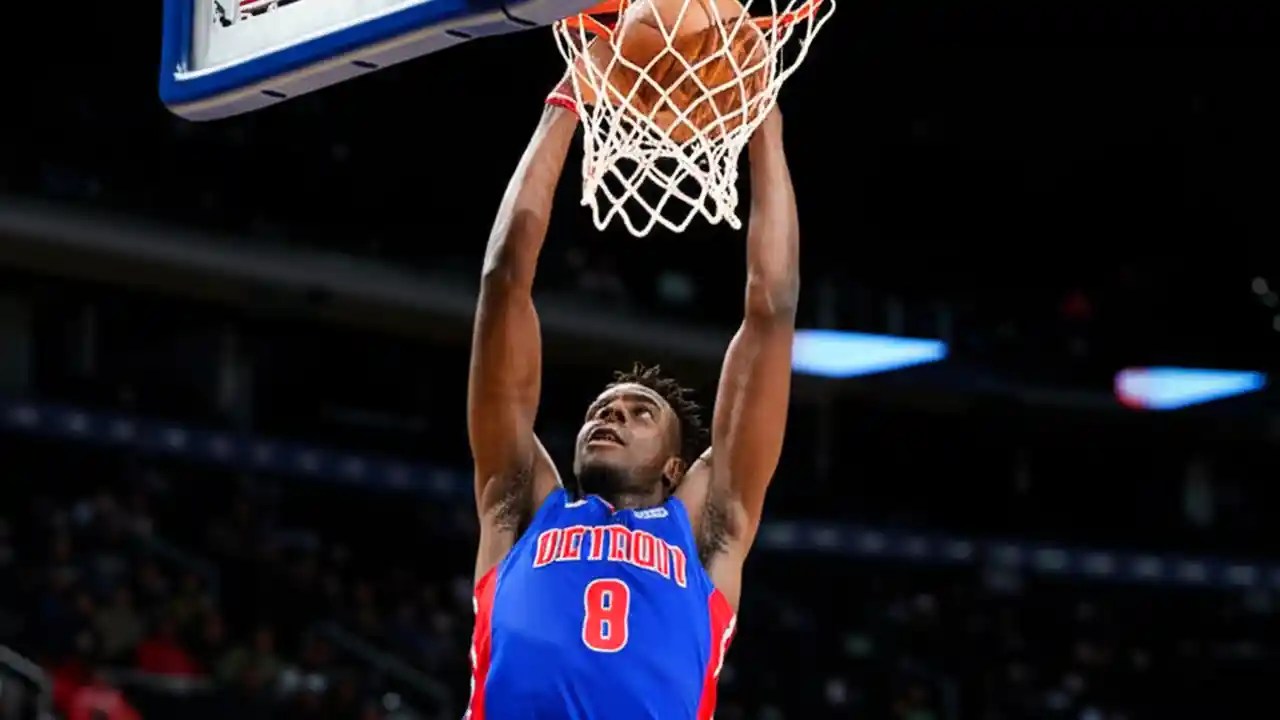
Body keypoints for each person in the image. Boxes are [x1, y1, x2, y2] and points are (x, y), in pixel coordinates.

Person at [464, 83, 799, 720]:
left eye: (639, 413)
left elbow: (771, 312)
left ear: (676, 468)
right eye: (601, 410)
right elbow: (503, 277)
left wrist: (765, 124)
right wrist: (565, 104)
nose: (609, 415)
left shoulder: (708, 530)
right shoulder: (518, 505)